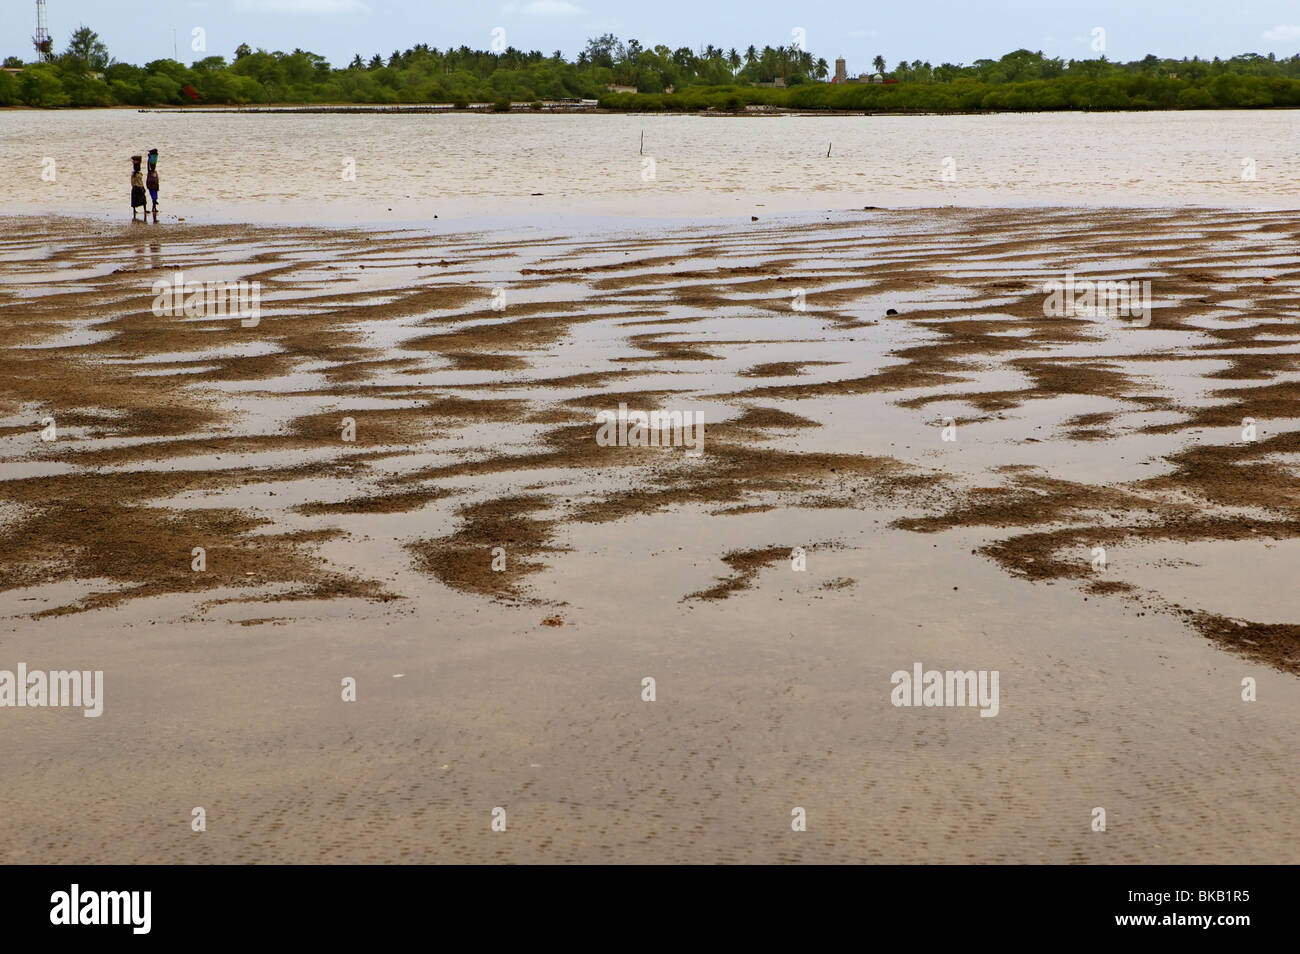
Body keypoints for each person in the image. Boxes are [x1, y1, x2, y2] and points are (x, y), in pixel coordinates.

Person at [130, 155, 147, 221]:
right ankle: (144, 210)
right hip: (138, 188)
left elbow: (133, 182)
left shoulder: (135, 174)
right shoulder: (136, 174)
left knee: (136, 200)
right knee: (142, 200)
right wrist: (142, 187)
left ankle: (135, 210)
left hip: (136, 188)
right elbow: (139, 182)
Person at [146, 149, 160, 223]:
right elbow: (147, 166)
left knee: (155, 197)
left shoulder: (155, 172)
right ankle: (154, 206)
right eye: (153, 166)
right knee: (153, 197)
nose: (153, 167)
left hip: (155, 186)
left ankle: (154, 207)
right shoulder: (150, 171)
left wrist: (158, 185)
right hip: (151, 186)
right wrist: (148, 159)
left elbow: (157, 179)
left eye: (154, 166)